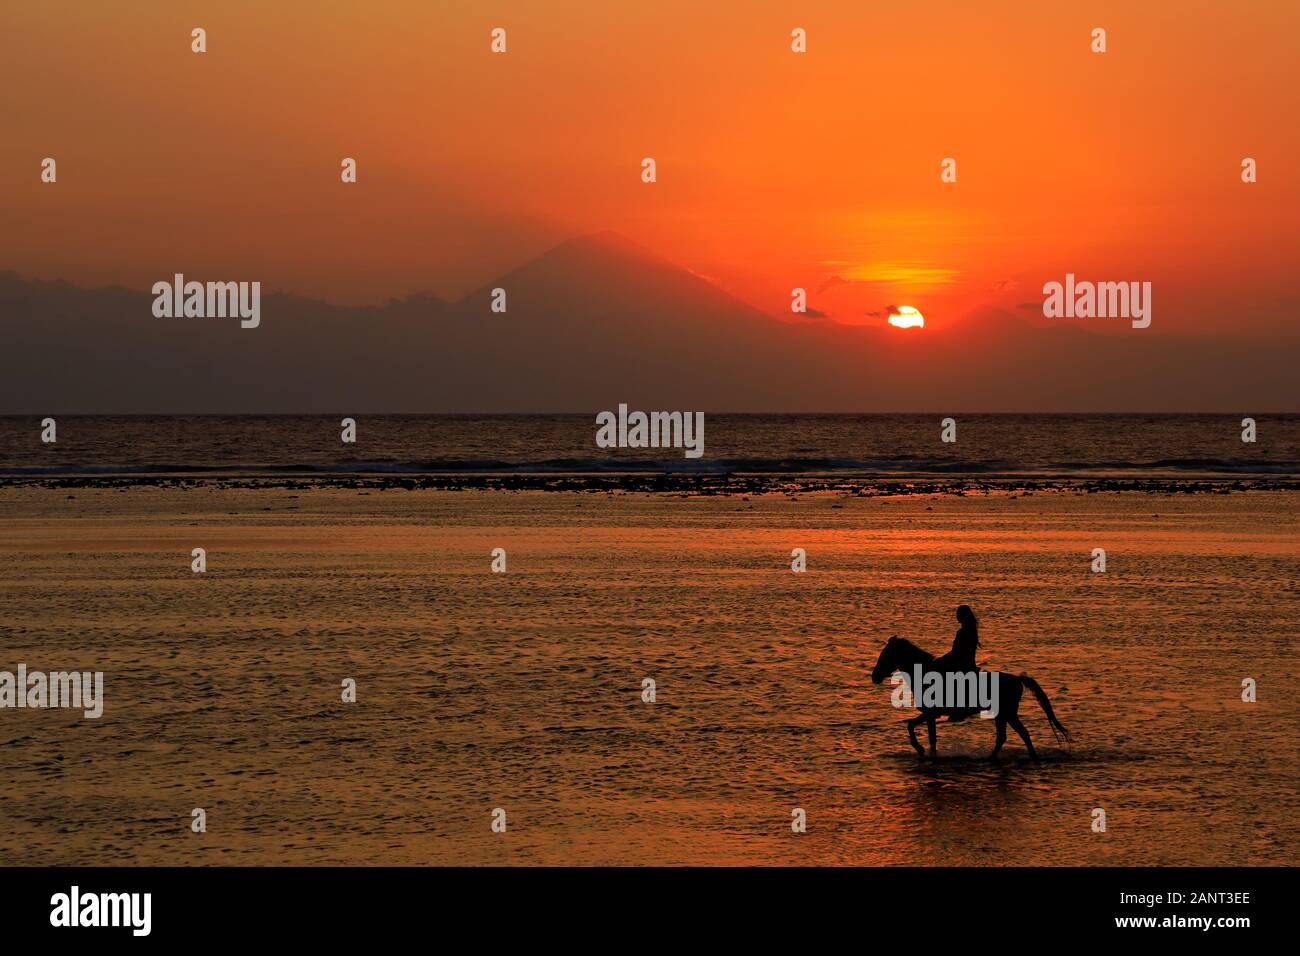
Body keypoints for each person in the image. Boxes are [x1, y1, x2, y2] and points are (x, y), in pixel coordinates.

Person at [934, 605, 979, 674]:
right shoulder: (972, 631)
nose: (956, 615)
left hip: (962, 667)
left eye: (958, 613)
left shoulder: (962, 632)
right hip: (971, 665)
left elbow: (955, 653)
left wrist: (940, 660)